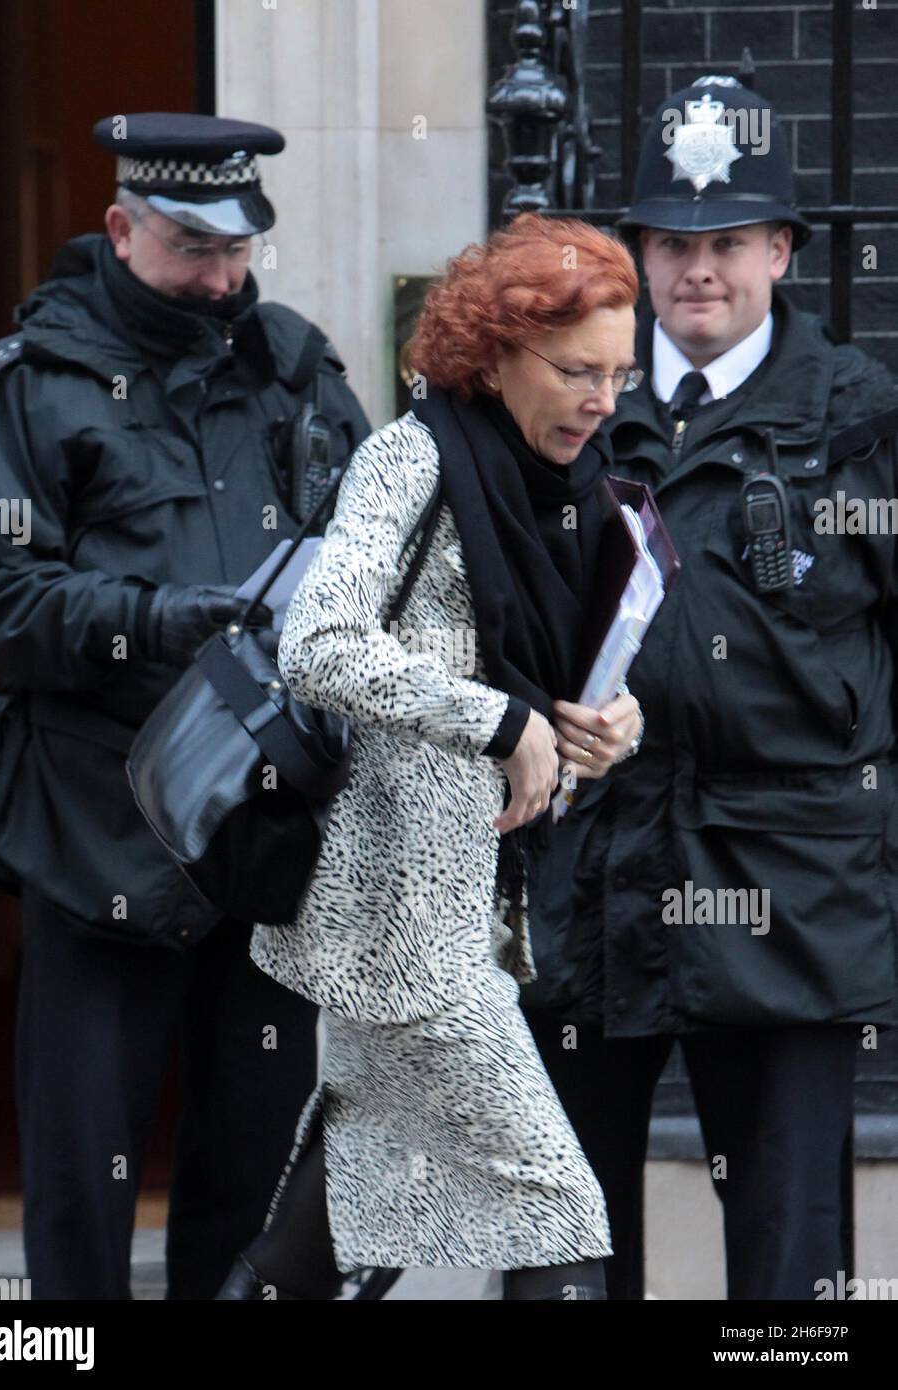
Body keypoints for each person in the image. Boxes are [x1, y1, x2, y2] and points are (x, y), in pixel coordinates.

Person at [0, 113, 370, 1299]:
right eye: (193, 249)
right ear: (121, 229)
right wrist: (151, 614)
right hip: (99, 830)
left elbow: (384, 565)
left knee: (253, 1167)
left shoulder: (299, 369)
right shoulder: (35, 386)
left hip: (268, 836)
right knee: (85, 1176)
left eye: (239, 249)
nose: (221, 278)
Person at [214, 212, 644, 1302]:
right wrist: (501, 722)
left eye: (618, 375)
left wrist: (592, 726)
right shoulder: (410, 456)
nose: (602, 401)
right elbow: (318, 642)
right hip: (393, 919)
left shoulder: (563, 497)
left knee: (325, 1235)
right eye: (577, 371)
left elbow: (520, 694)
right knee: (559, 1209)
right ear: (497, 349)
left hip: (467, 909)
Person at [520, 77, 898, 1301]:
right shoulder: (568, 407)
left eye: (727, 243)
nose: (699, 272)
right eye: (674, 243)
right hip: (592, 885)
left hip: (789, 890)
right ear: (639, 252)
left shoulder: (857, 424)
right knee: (565, 1251)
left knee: (787, 1272)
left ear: (778, 250)